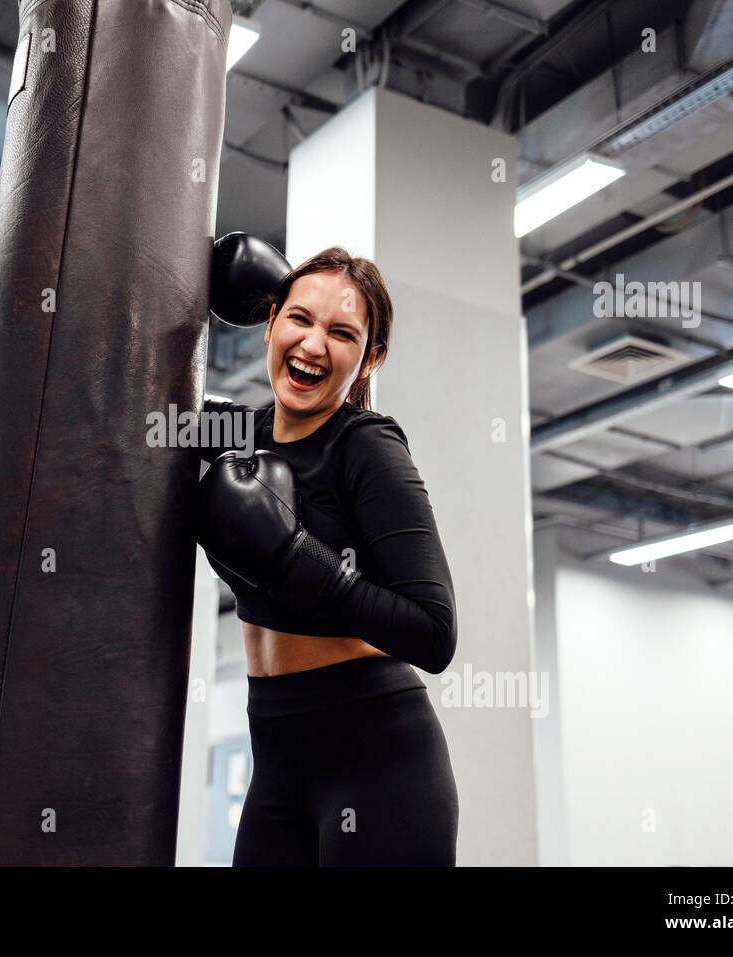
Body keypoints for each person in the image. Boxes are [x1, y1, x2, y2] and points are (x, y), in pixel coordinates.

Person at [197, 244, 459, 866]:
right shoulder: (242, 435)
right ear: (270, 324)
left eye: (342, 333)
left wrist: (295, 557)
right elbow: (139, 413)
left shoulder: (367, 448)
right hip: (274, 756)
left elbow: (435, 633)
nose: (314, 345)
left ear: (370, 357)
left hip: (378, 758)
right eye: (299, 319)